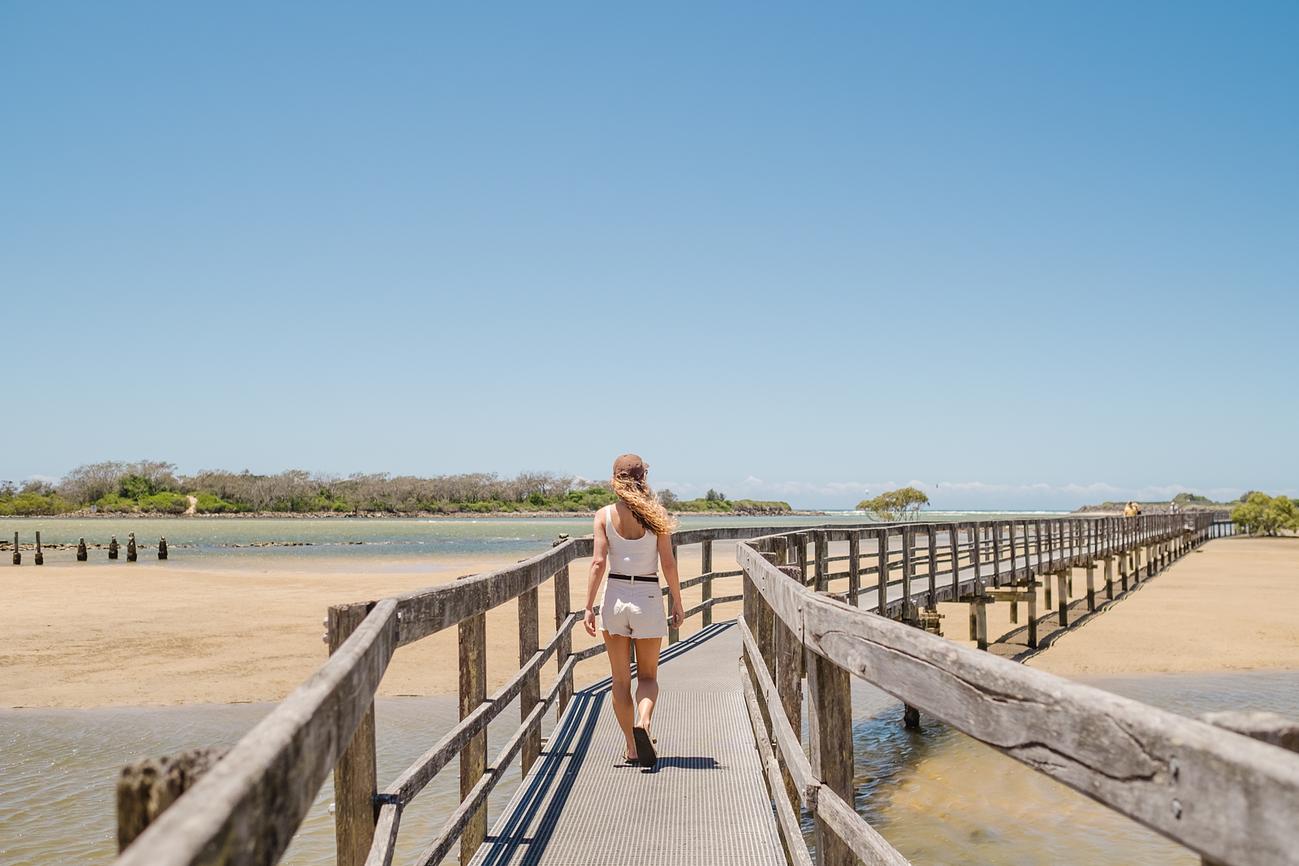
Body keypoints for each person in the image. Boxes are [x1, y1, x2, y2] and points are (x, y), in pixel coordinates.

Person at [583, 453, 685, 768]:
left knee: (619, 680)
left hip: (614, 596)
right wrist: (678, 601)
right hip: (648, 597)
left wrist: (588, 606)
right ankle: (644, 721)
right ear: (643, 478)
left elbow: (598, 562)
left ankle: (631, 746)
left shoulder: (603, 515)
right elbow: (668, 563)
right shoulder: (658, 516)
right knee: (649, 676)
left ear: (615, 479)